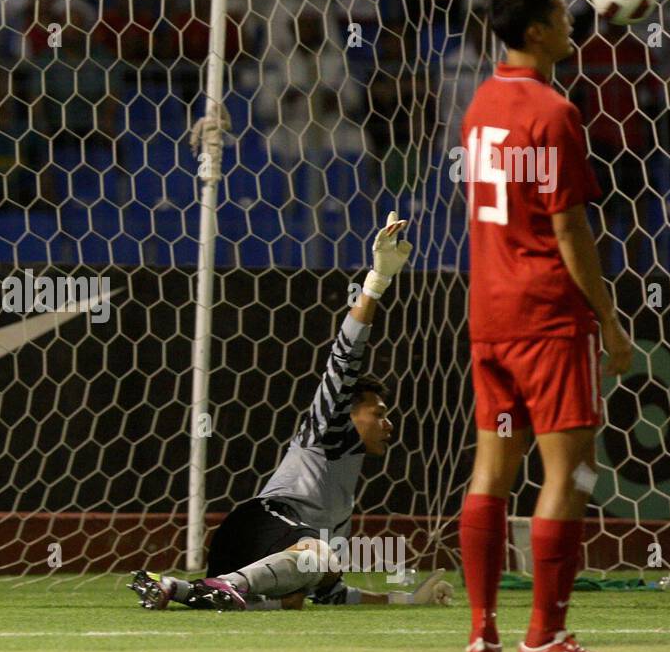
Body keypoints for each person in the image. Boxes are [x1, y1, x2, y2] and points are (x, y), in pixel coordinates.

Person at [130, 213, 454, 611]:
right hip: (253, 528)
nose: (389, 424)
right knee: (317, 558)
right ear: (351, 412)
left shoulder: (340, 503)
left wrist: (409, 600)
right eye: (379, 412)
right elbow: (345, 355)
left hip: (263, 556)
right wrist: (377, 281)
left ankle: (179, 589)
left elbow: (332, 595)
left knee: (300, 594)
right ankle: (223, 585)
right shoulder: (327, 425)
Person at [457, 0, 633, 652]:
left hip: (488, 312)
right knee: (571, 470)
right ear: (534, 30)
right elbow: (570, 231)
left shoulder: (478, 107)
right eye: (560, 12)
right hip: (547, 315)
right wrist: (610, 320)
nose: (570, 21)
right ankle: (546, 635)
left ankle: (480, 631)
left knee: (491, 470)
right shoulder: (555, 114)